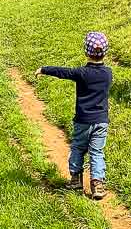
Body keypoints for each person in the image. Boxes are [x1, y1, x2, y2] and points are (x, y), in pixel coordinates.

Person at [35, 32, 113, 200]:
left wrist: (44, 69)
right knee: (97, 152)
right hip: (101, 121)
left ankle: (76, 179)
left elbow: (63, 72)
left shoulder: (82, 73)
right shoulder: (108, 73)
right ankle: (97, 185)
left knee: (78, 147)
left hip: (83, 120)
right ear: (105, 52)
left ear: (86, 51)